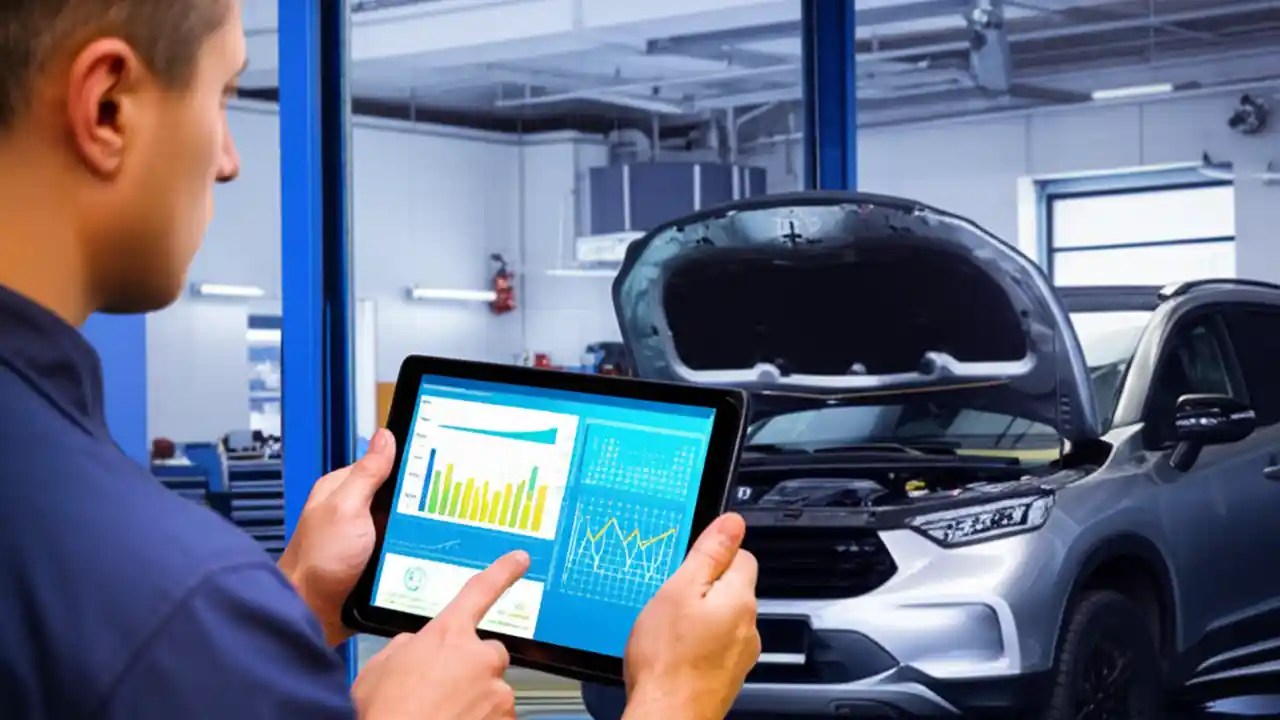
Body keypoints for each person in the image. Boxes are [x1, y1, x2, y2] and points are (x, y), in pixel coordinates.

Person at [0, 1, 761, 718]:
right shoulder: (165, 588)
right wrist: (676, 692)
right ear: (107, 107)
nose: (228, 161)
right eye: (224, 94)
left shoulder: (118, 578)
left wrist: (291, 601)